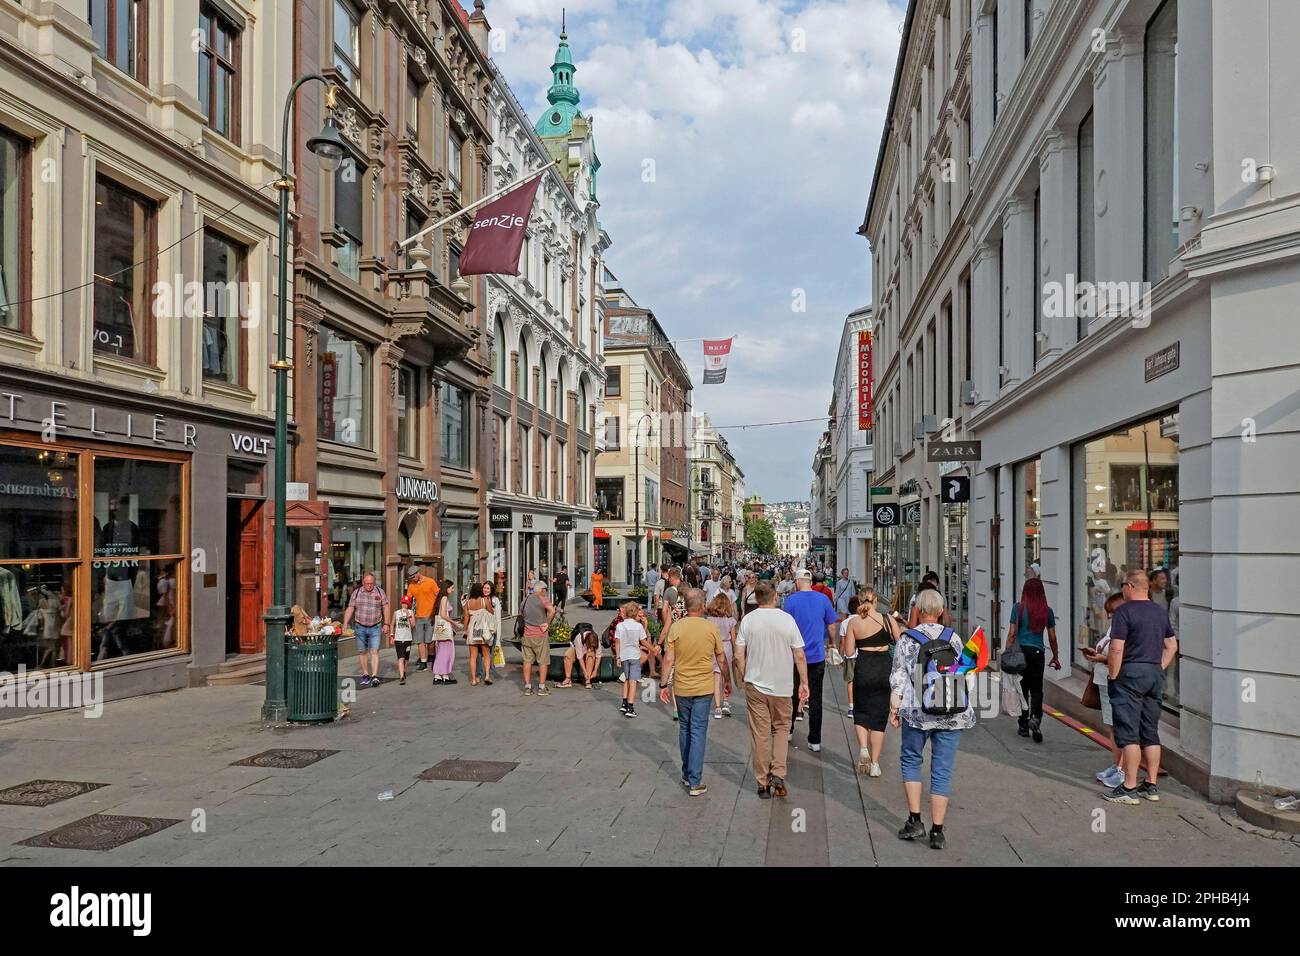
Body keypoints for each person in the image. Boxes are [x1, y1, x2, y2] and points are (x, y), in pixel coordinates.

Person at [889, 588, 975, 850]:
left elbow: (899, 678)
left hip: (918, 713)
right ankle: (937, 831)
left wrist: (894, 708)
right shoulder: (954, 638)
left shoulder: (907, 640)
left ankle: (915, 820)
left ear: (918, 610)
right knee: (942, 769)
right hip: (952, 713)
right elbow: (967, 677)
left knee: (911, 760)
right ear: (940, 611)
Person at [1103, 570, 1178, 805]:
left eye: (1123, 586)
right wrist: (1158, 666)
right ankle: (1151, 785)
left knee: (1129, 733)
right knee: (1150, 732)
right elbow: (1171, 646)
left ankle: (1129, 787)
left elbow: (1116, 648)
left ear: (1129, 586)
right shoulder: (1159, 612)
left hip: (1129, 674)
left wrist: (1113, 675)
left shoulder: (1124, 612)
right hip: (1153, 674)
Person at [735, 581, 809, 799]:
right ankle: (778, 772)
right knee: (781, 729)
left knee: (760, 734)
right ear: (775, 597)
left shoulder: (748, 620)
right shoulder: (787, 620)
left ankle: (762, 782)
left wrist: (745, 674)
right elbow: (799, 655)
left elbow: (738, 655)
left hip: (756, 685)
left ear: (757, 598)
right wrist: (804, 682)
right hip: (782, 686)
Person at [661, 589, 728, 796]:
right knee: (698, 730)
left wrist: (663, 685)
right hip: (704, 687)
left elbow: (669, 659)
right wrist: (727, 680)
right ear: (702, 606)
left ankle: (686, 773)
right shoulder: (711, 628)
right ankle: (695, 780)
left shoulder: (677, 627)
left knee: (685, 728)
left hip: (682, 687)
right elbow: (721, 658)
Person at [842, 587, 898, 777]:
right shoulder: (887, 619)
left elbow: (849, 652)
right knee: (879, 718)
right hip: (883, 669)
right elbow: (900, 642)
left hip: (863, 668)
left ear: (860, 601)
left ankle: (863, 748)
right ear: (875, 601)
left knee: (861, 712)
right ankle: (874, 764)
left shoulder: (854, 622)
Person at [783, 569, 837, 752]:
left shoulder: (791, 601)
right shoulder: (823, 599)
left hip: (795, 657)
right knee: (816, 698)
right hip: (816, 656)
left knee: (792, 694)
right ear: (810, 581)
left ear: (798, 582)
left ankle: (789, 730)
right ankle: (815, 740)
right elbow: (831, 626)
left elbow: (786, 627)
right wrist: (832, 643)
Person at [1005, 577, 1060, 743]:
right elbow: (1052, 637)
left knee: (1022, 688)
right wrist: (1055, 656)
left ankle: (1023, 724)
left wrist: (1007, 652)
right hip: (1037, 653)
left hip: (1020, 652)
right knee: (1037, 689)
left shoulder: (1018, 608)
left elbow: (1012, 633)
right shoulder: (1047, 611)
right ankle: (1035, 718)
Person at [1081, 590, 1128, 788]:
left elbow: (1122, 657)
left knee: (1119, 729)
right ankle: (1117, 766)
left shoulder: (1125, 628)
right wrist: (1096, 654)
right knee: (1113, 727)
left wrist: (1102, 659)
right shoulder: (1113, 628)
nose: (1109, 616)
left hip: (1115, 682)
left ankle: (1122, 770)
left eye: (1112, 612)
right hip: (1105, 681)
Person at [342, 572, 390, 688]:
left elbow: (386, 607)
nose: (369, 585)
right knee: (362, 651)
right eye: (367, 583)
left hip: (375, 626)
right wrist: (345, 623)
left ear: (374, 582)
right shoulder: (357, 592)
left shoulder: (380, 592)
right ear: (363, 583)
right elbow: (350, 608)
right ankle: (365, 674)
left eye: (371, 583)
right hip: (360, 626)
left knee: (374, 650)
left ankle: (374, 676)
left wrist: (386, 624)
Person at [520, 580, 555, 696]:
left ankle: (527, 687)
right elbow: (552, 611)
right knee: (543, 661)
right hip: (541, 635)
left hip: (527, 634)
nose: (546, 592)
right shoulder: (543, 599)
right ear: (542, 590)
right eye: (545, 590)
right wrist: (547, 623)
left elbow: (521, 613)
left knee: (527, 661)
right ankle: (541, 688)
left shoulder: (525, 600)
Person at [614, 602, 649, 718]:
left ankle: (624, 703)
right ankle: (630, 707)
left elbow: (617, 642)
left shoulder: (620, 625)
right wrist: (653, 649)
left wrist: (618, 657)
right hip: (634, 655)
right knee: (633, 681)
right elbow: (643, 641)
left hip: (624, 655)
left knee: (627, 679)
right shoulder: (638, 626)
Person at [706, 592, 737, 718]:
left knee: (716, 677)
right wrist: (736, 653)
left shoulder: (709, 620)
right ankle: (725, 701)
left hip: (714, 648)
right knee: (726, 676)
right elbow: (733, 639)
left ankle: (717, 707)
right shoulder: (731, 621)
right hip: (727, 647)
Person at [404, 566, 439, 672]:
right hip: (418, 616)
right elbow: (408, 598)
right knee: (420, 641)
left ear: (418, 573)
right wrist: (405, 608)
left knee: (430, 641)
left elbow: (438, 596)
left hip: (430, 616)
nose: (412, 579)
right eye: (411, 577)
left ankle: (432, 656)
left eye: (413, 576)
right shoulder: (411, 585)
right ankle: (423, 662)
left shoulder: (430, 582)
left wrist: (438, 611)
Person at [462, 582, 497, 687]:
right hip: (482, 629)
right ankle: (487, 676)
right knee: (486, 654)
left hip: (472, 629)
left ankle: (473, 679)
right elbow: (491, 612)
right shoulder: (484, 600)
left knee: (473, 656)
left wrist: (465, 631)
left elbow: (466, 619)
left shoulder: (468, 603)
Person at [430, 580, 458, 685]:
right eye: (452, 587)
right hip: (445, 628)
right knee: (446, 652)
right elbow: (443, 614)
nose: (453, 590)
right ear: (447, 588)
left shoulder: (442, 598)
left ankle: (440, 675)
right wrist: (454, 623)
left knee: (442, 652)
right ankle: (442, 675)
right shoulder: (444, 598)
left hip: (442, 628)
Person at [561, 622, 600, 689]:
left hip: (587, 654)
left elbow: (598, 656)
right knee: (567, 655)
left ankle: (588, 680)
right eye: (590, 647)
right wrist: (584, 672)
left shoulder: (597, 641)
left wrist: (595, 670)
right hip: (576, 648)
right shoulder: (579, 639)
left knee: (590, 655)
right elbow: (580, 658)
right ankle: (568, 679)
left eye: (593, 647)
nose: (590, 649)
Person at [391, 595, 415, 685]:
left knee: (406, 658)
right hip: (398, 639)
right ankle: (401, 677)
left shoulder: (410, 612)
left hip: (408, 638)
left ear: (408, 605)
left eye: (406, 603)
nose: (405, 605)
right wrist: (392, 635)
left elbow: (413, 625)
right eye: (403, 603)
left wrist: (409, 616)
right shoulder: (396, 613)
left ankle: (404, 671)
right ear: (401, 603)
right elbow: (392, 624)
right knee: (401, 657)